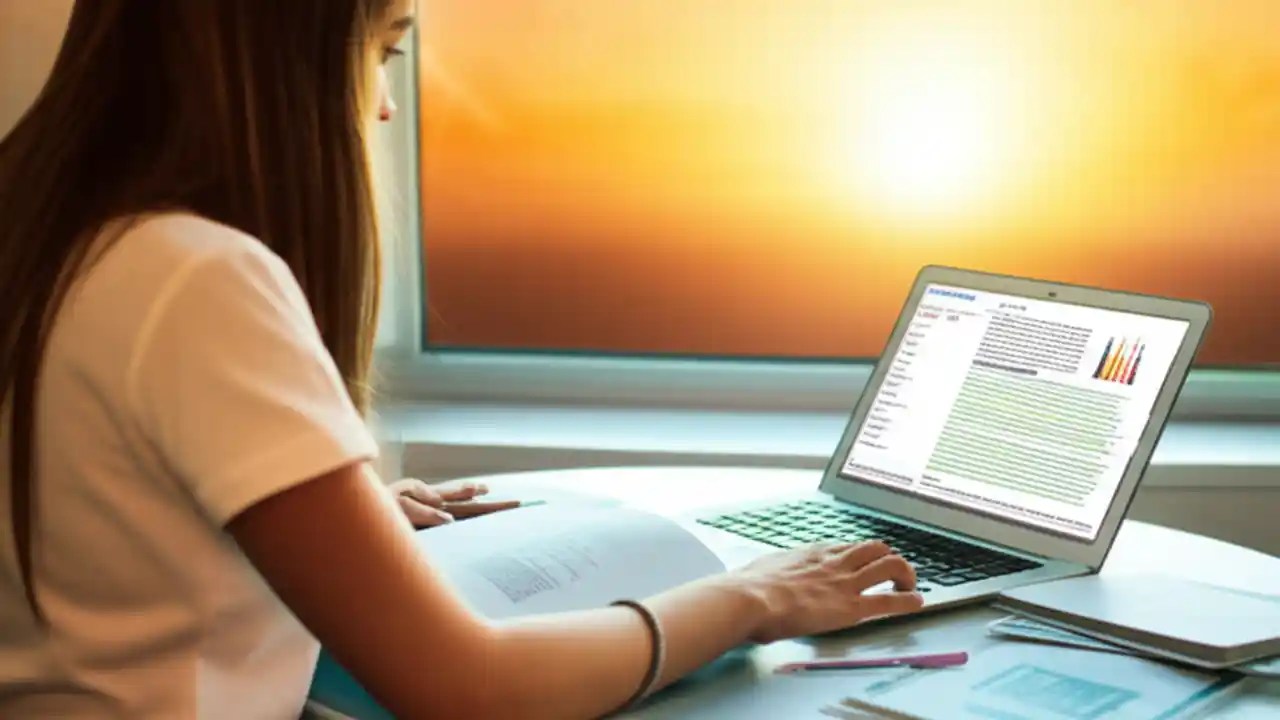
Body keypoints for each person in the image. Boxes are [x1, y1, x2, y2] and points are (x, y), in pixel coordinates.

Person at [0, 1, 923, 717]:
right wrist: (748, 596)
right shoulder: (195, 277)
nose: (385, 100)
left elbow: (98, 524)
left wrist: (323, 525)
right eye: (384, 49)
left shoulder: (45, 224)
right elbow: (471, 692)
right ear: (289, 57)